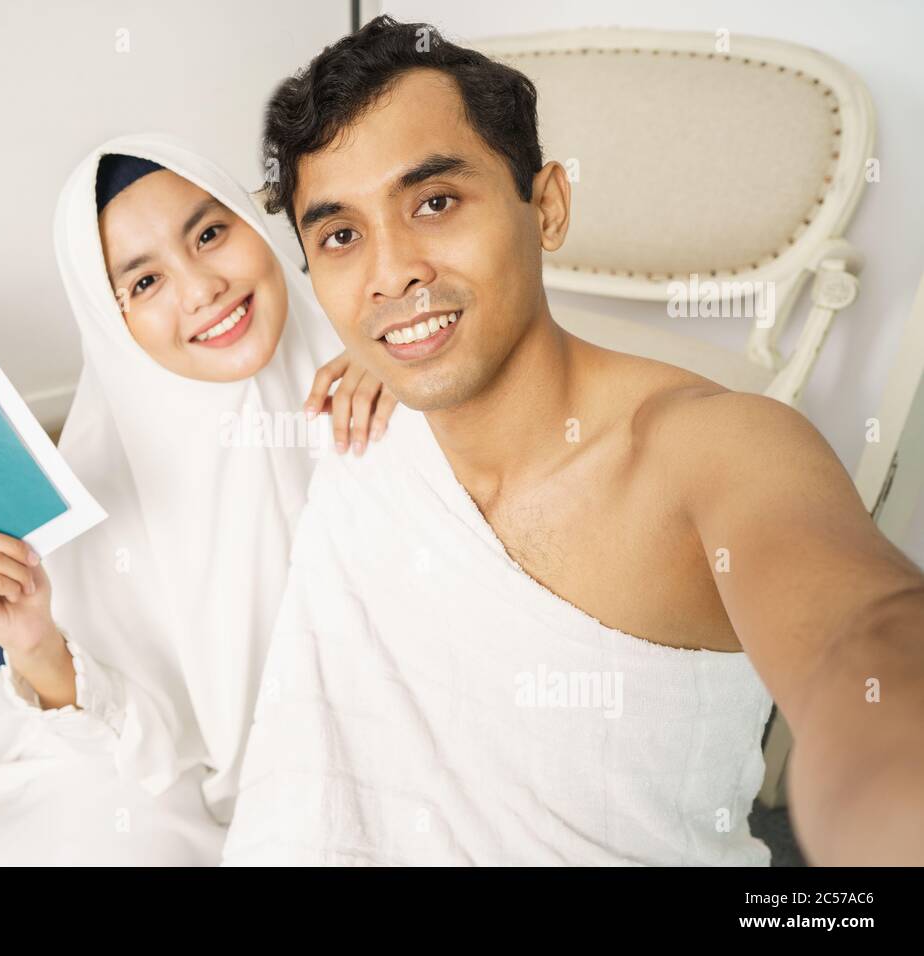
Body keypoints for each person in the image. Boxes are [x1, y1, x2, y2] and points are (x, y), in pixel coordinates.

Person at [222, 16, 924, 866]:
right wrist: (407, 346)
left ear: (546, 206)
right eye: (342, 235)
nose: (390, 270)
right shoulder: (359, 425)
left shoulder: (721, 448)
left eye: (436, 202)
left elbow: (868, 634)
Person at [0, 132, 393, 865]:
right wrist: (31, 639)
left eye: (211, 233)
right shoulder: (105, 477)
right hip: (175, 779)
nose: (201, 288)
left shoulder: (377, 366)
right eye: (145, 282)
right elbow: (132, 732)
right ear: (111, 318)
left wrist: (402, 363)